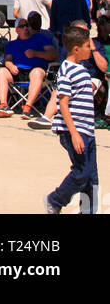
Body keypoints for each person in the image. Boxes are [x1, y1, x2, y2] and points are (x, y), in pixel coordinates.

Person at [45, 26, 99, 214]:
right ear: (76, 49)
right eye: (87, 46)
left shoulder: (81, 68)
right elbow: (63, 104)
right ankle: (55, 200)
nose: (90, 49)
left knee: (91, 178)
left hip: (87, 130)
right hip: (74, 131)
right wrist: (74, 133)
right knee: (81, 172)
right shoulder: (67, 71)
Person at [0, 16, 56, 117]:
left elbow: (53, 55)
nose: (26, 28)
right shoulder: (12, 44)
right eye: (22, 26)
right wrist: (10, 66)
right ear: (17, 30)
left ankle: (28, 106)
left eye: (27, 25)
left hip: (37, 71)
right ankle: (4, 105)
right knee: (1, 71)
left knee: (36, 72)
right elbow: (8, 60)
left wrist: (36, 54)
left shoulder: (41, 39)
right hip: (18, 72)